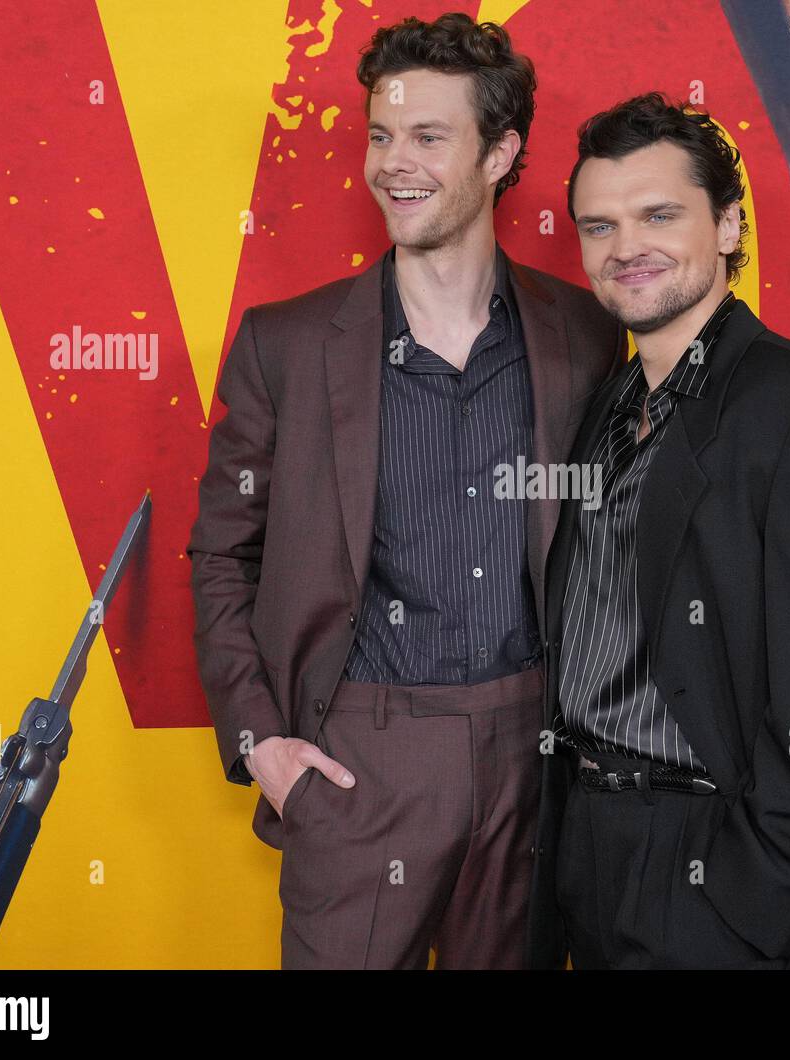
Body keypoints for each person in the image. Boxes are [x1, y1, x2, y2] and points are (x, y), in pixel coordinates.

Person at [188, 13, 625, 969]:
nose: (395, 163)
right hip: (361, 761)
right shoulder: (287, 345)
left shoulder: (584, 336)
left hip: (532, 755)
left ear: (501, 152)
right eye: (381, 136)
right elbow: (222, 553)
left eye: (429, 136)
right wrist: (263, 744)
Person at [527, 92, 790, 969]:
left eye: (658, 215)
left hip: (715, 861)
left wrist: (742, 895)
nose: (625, 248)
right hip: (587, 849)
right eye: (598, 226)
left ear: (727, 225)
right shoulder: (607, 404)